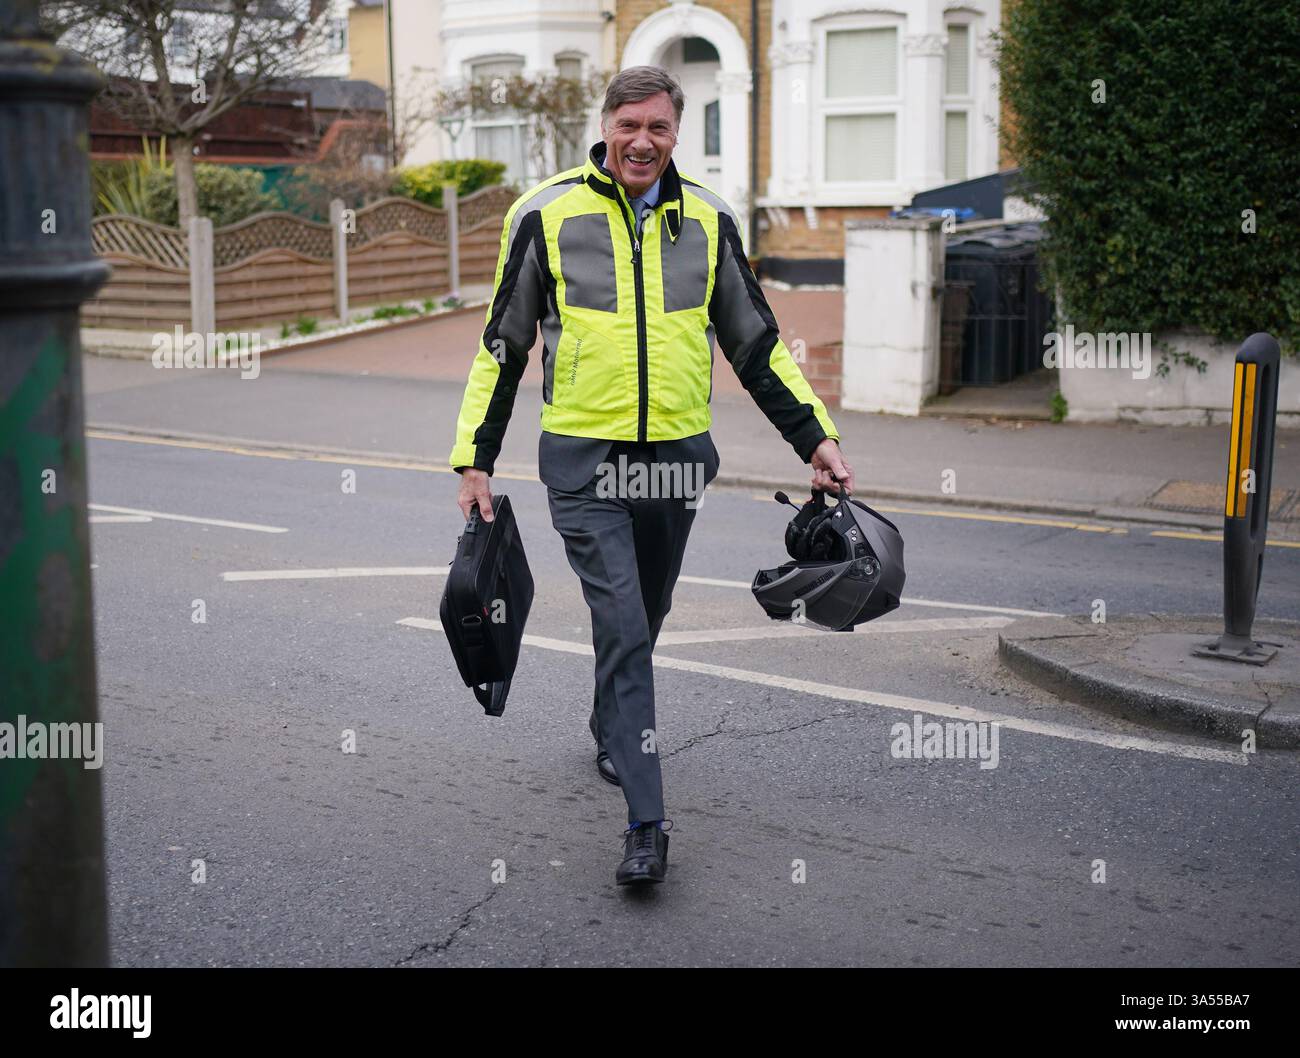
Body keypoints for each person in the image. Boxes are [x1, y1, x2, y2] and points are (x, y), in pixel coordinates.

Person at [449, 65, 854, 886]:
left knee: (651, 608)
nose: (642, 141)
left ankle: (609, 716)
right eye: (628, 125)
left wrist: (814, 437)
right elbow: (504, 344)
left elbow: (755, 344)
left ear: (676, 133)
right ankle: (646, 822)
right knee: (625, 622)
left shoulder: (706, 219)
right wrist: (475, 457)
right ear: (605, 126)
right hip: (583, 461)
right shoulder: (546, 214)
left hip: (674, 461)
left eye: (658, 128)